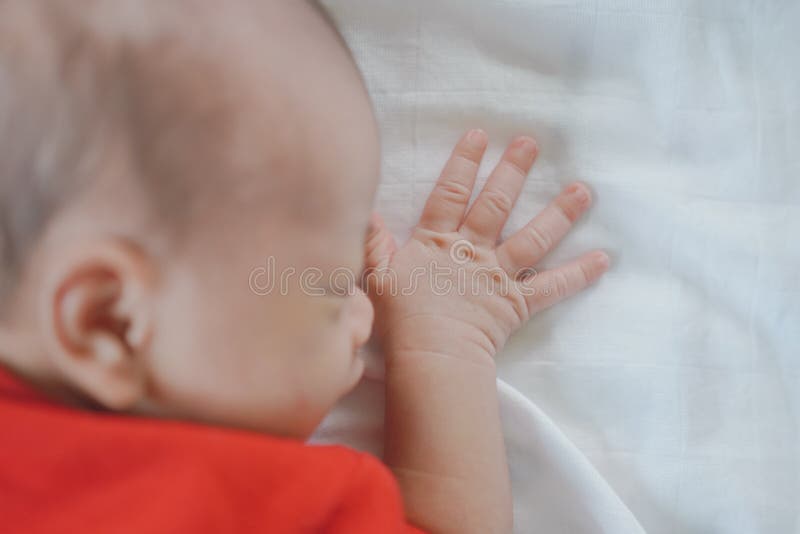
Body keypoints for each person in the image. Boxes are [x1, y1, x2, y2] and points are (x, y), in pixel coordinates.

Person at [0, 1, 609, 532]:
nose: (365, 312)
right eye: (331, 289)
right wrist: (444, 345)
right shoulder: (226, 494)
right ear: (113, 321)